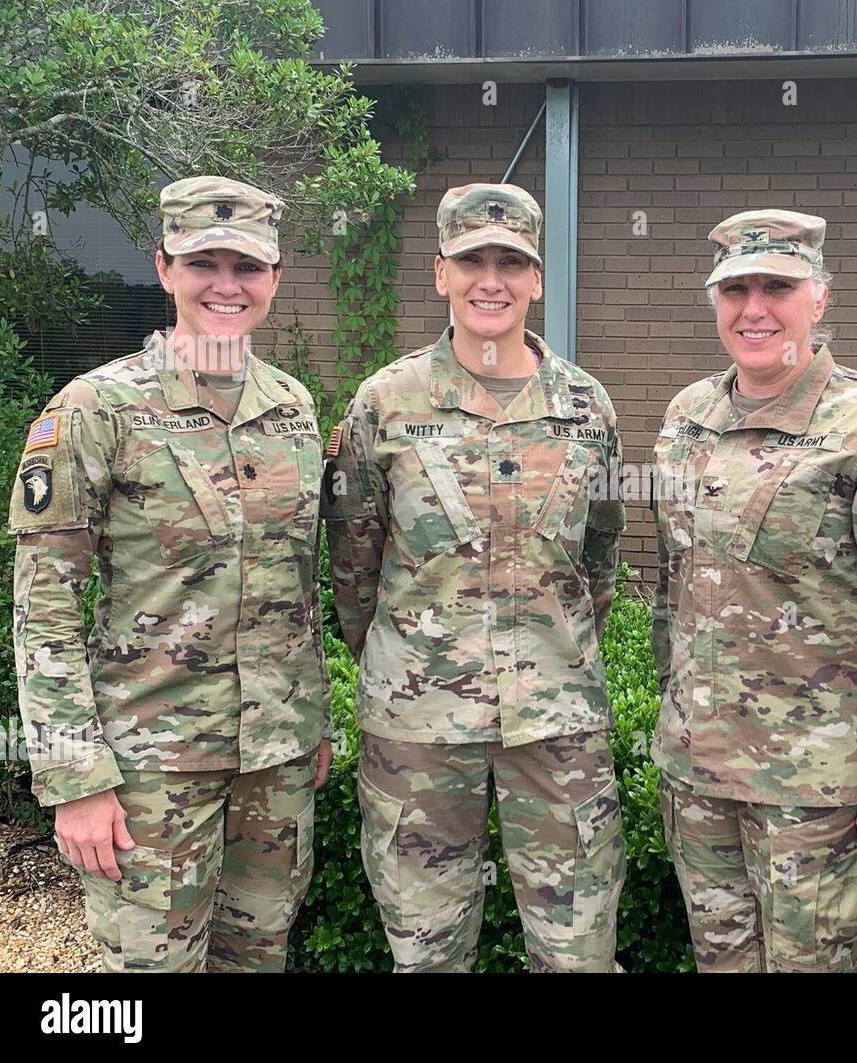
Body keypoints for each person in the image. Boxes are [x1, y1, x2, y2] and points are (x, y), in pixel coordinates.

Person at [10, 176, 331, 972]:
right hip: (152, 770)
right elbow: (44, 604)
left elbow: (300, 581)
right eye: (204, 263)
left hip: (275, 763)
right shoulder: (96, 408)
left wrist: (312, 720)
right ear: (164, 268)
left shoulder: (293, 405)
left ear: (276, 278)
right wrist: (73, 774)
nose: (227, 285)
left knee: (258, 957)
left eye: (247, 267)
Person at [650, 209, 857, 972]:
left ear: (818, 299)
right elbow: (674, 585)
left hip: (818, 786)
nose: (754, 308)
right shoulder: (688, 415)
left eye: (778, 287)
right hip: (696, 772)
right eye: (735, 289)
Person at [323, 182, 627, 972]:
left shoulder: (586, 408)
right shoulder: (384, 405)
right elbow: (354, 570)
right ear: (440, 272)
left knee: (578, 958)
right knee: (427, 957)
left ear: (535, 278)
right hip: (417, 734)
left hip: (558, 728)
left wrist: (545, 655)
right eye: (471, 261)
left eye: (509, 262)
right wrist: (409, 661)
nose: (490, 280)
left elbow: (599, 562)